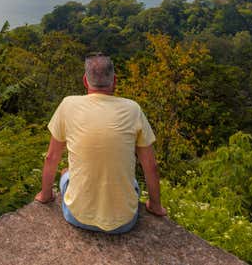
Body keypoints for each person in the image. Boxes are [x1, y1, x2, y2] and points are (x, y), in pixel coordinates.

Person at [34, 52, 167, 233]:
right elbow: (150, 165)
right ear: (115, 81)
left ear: (85, 81)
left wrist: (45, 195)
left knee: (66, 172)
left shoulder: (68, 105)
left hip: (76, 216)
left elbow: (51, 157)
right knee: (133, 182)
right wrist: (156, 206)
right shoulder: (133, 109)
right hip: (124, 222)